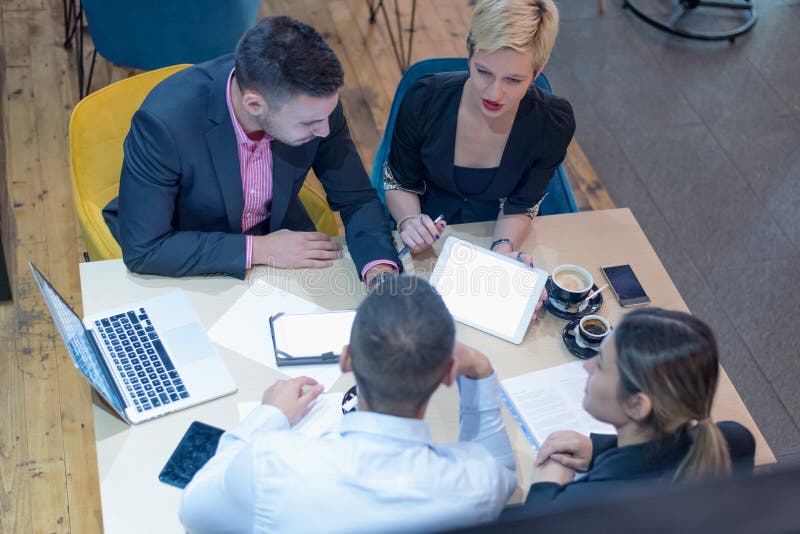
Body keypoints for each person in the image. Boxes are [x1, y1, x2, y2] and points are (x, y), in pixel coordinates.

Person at [179, 275, 517, 533]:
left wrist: (269, 415)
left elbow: (194, 511)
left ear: (346, 359)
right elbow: (504, 472)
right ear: (449, 373)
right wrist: (481, 369)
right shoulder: (475, 483)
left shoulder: (270, 463)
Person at [103, 16, 399, 284]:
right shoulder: (165, 124)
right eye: (309, 124)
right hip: (190, 253)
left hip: (280, 241)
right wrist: (259, 249)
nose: (324, 131)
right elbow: (146, 248)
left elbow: (357, 199)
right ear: (255, 105)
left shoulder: (315, 106)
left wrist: (380, 274)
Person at [501, 307, 756, 519]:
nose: (587, 367)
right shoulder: (734, 440)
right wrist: (598, 450)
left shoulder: (590, 503)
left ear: (636, 406)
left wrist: (545, 486)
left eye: (600, 364)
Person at [383, 0, 575, 267]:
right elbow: (399, 181)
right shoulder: (424, 100)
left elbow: (522, 203)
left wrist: (502, 248)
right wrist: (409, 221)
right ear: (469, 52)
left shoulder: (552, 123)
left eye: (513, 80)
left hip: (496, 231)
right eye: (483, 71)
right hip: (426, 236)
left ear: (537, 72)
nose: (494, 93)